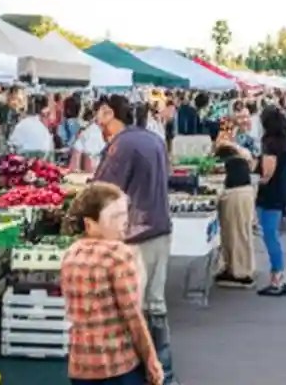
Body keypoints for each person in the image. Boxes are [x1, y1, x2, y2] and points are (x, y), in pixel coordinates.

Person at [93, 95, 175, 385]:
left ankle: (147, 372)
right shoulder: (153, 139)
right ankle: (164, 372)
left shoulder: (122, 145)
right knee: (154, 304)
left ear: (110, 113)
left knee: (136, 308)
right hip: (159, 227)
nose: (97, 123)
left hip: (137, 233)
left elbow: (103, 192)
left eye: (99, 116)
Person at [61, 182, 163, 385]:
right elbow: (133, 316)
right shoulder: (118, 254)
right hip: (118, 366)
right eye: (115, 217)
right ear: (90, 224)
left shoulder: (70, 253)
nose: (123, 222)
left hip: (81, 365)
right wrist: (151, 359)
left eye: (124, 214)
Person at [213, 119, 256, 288]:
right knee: (231, 232)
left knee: (238, 232)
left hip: (237, 191)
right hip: (238, 190)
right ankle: (231, 267)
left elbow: (250, 160)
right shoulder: (233, 147)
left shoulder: (237, 147)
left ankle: (242, 271)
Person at [256, 105, 286, 297]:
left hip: (270, 193)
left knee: (270, 234)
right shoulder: (284, 140)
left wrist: (256, 178)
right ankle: (278, 274)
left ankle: (277, 276)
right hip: (281, 189)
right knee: (272, 234)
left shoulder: (270, 143)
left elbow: (267, 172)